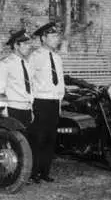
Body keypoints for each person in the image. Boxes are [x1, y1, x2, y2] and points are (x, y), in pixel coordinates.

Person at [28, 22, 65, 183]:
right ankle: (34, 173)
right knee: (39, 137)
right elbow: (28, 80)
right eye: (53, 36)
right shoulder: (35, 56)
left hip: (54, 102)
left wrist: (59, 98)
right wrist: (31, 103)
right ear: (43, 38)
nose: (56, 39)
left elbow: (61, 80)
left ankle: (45, 171)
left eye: (57, 36)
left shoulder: (57, 57)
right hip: (40, 102)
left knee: (51, 138)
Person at [0, 29, 34, 127]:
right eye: (26, 44)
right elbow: (0, 90)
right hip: (12, 110)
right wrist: (4, 113)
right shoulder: (5, 64)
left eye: (29, 44)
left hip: (27, 110)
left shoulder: (27, 64)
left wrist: (30, 109)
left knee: (26, 141)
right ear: (16, 45)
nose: (29, 47)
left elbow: (29, 88)